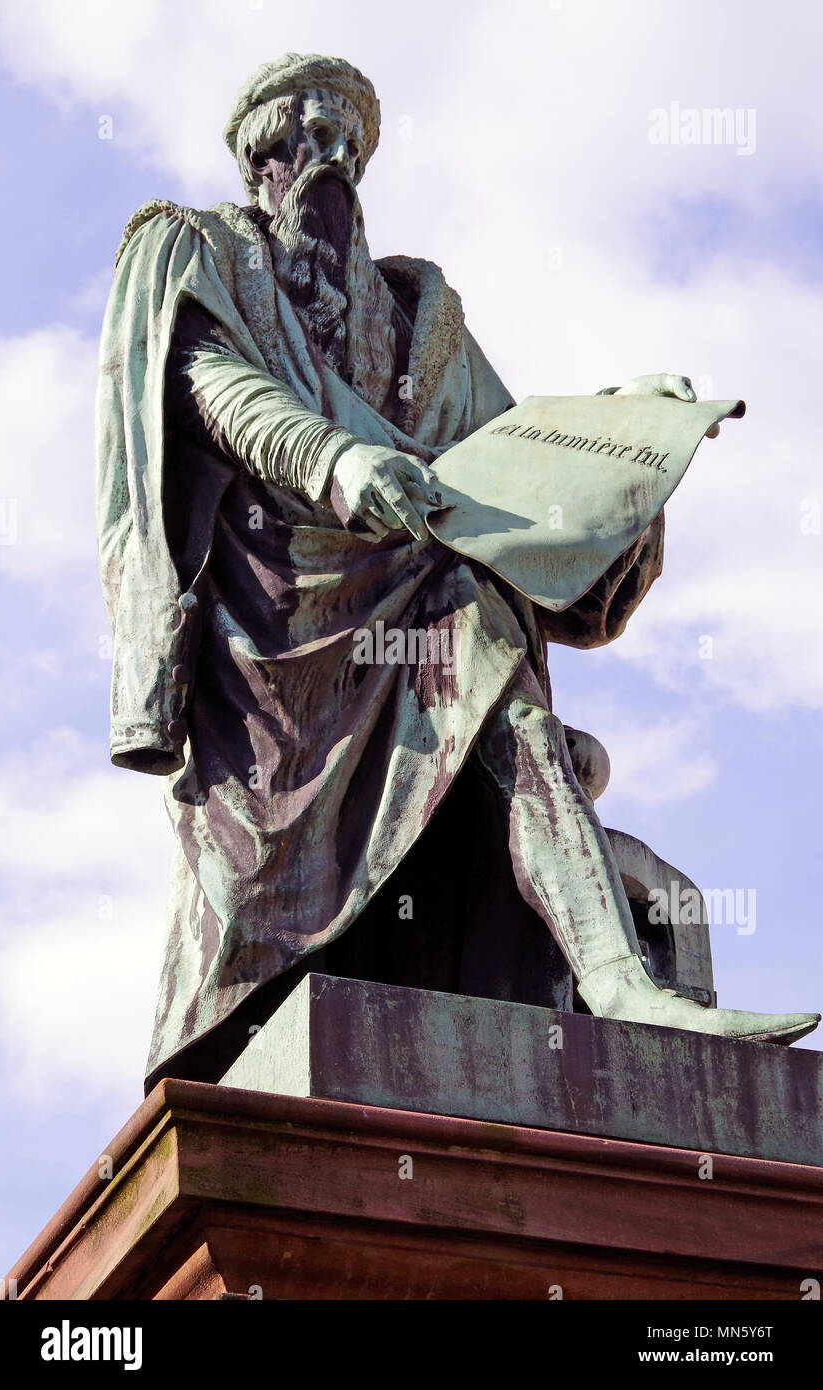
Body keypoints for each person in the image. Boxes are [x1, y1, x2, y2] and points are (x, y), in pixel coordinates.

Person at [95, 53, 818, 1091]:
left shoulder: (412, 314)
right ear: (261, 152)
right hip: (280, 633)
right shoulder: (195, 251)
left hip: (417, 602)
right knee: (462, 616)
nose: (336, 156)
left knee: (470, 611)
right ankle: (603, 975)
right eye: (313, 132)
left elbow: (512, 452)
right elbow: (220, 391)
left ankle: (615, 979)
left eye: (352, 139)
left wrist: (630, 419)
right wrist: (338, 461)